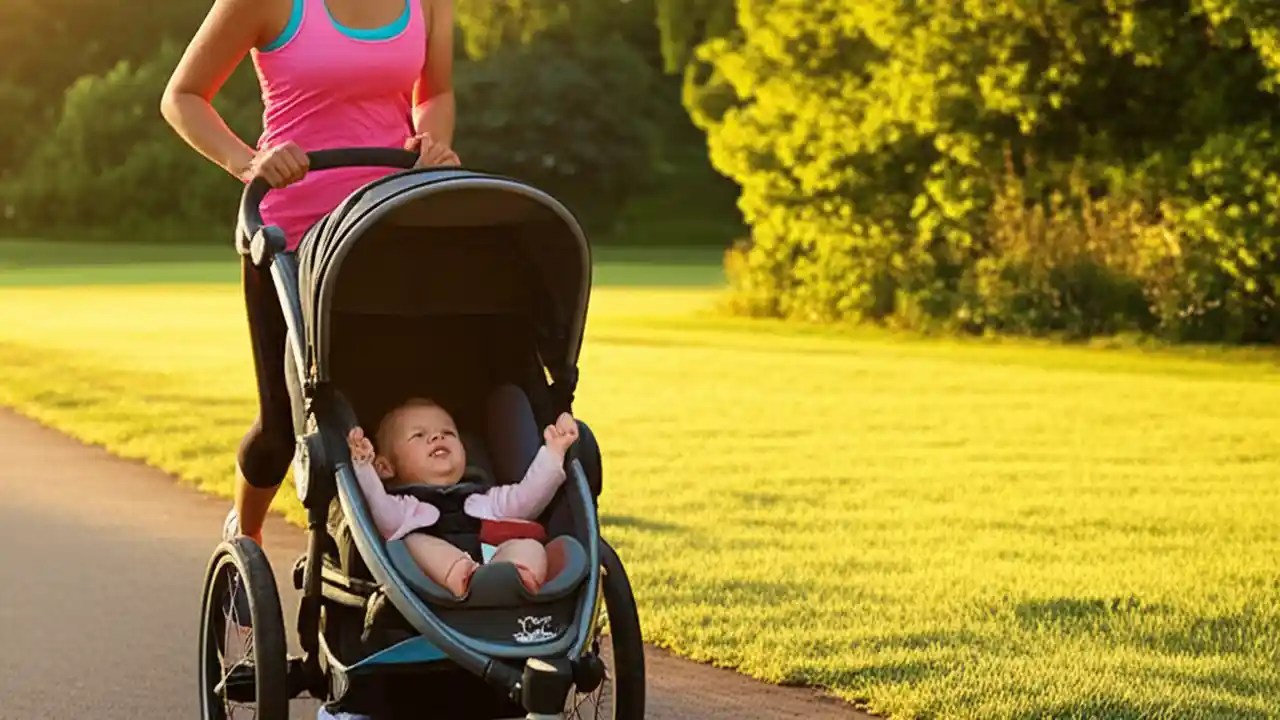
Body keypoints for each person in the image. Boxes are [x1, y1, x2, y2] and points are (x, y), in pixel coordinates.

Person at [160, 0, 460, 548]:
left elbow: (434, 92)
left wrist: (431, 139)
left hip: (386, 229)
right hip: (289, 242)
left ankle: (388, 559)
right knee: (282, 428)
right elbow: (182, 97)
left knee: (392, 414)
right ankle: (245, 538)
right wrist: (249, 160)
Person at [347, 396, 579, 596]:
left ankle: (514, 580)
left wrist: (554, 452)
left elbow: (527, 499)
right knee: (411, 542)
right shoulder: (403, 508)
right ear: (385, 467)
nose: (438, 437)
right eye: (418, 435)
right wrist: (363, 468)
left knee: (528, 545)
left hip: (491, 570)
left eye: (448, 432)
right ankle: (463, 576)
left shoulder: (482, 498)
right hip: (431, 589)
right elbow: (379, 512)